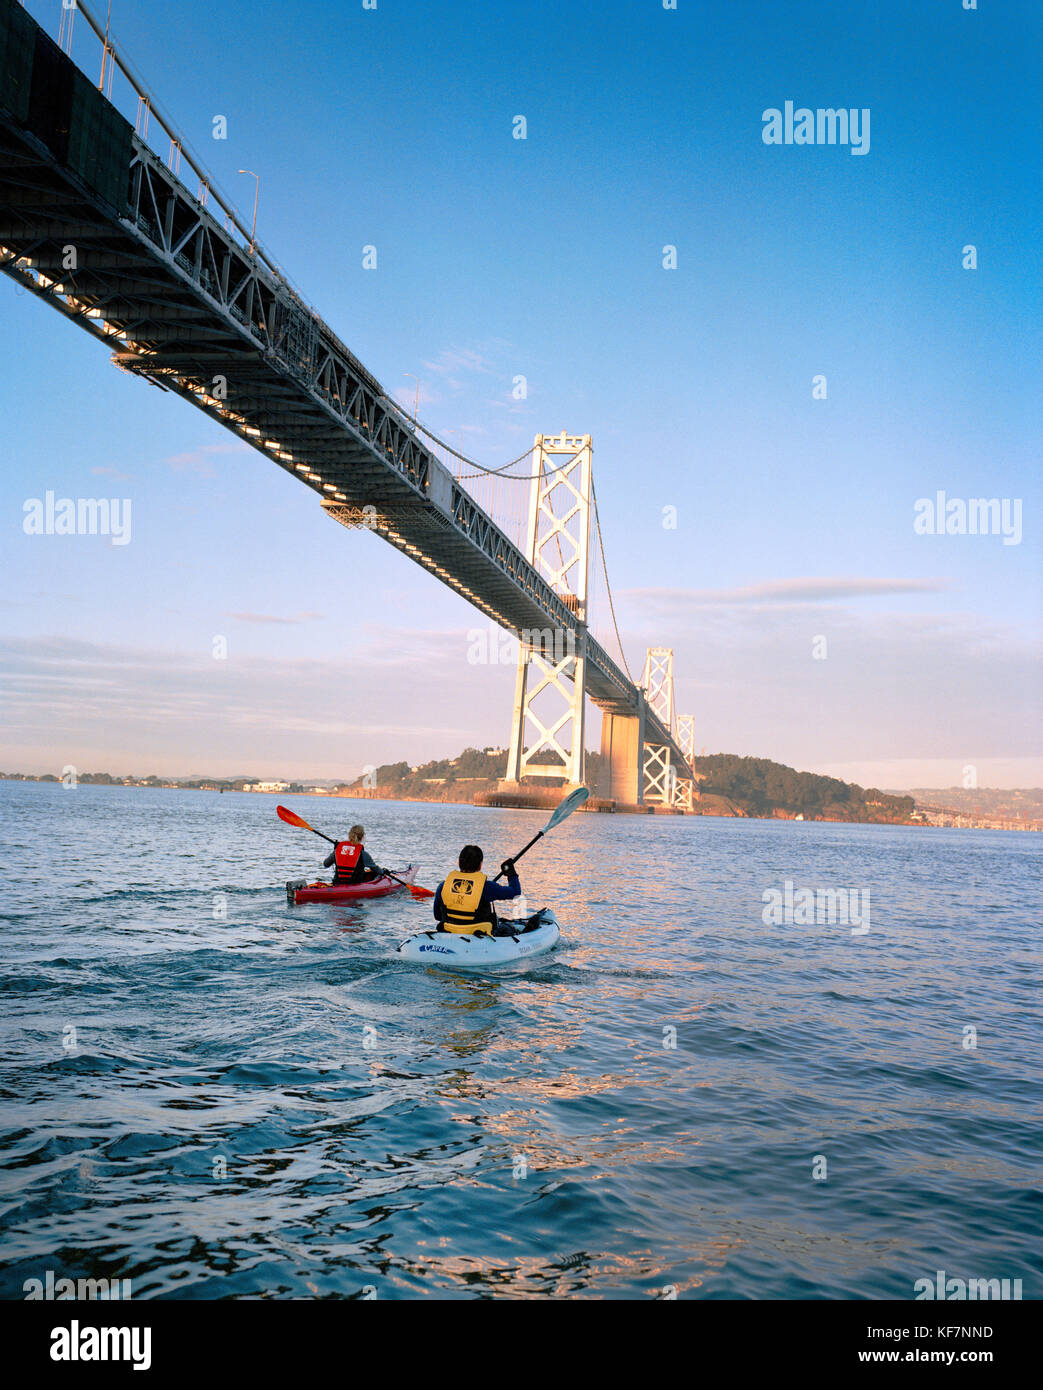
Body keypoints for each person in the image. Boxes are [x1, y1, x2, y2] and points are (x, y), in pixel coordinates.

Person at [433, 844, 521, 935]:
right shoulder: (487, 887)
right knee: (508, 928)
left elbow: (437, 916)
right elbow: (515, 892)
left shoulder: (443, 886)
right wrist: (511, 873)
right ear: (480, 866)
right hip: (478, 934)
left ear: (459, 862)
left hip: (449, 931)